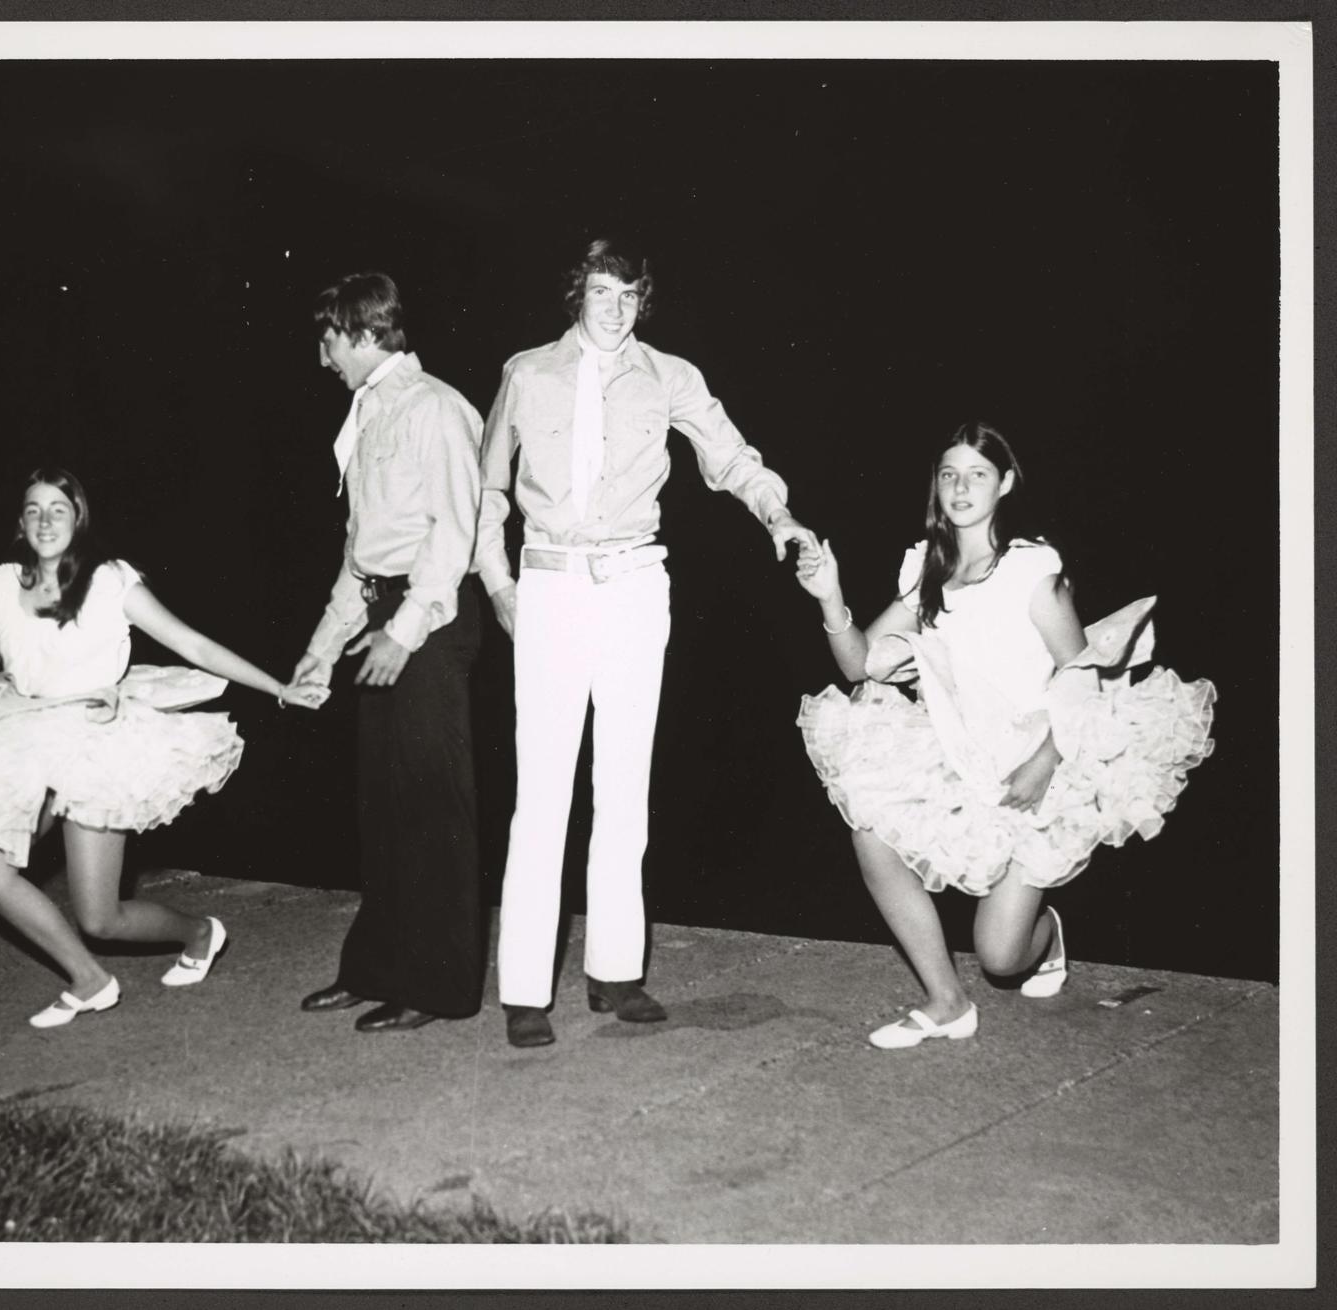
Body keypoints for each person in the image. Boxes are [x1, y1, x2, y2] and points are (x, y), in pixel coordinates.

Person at [477, 237, 817, 1048]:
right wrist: (497, 585)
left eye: (628, 295)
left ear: (642, 301)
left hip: (634, 584)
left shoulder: (670, 376)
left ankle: (615, 974)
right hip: (551, 584)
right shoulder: (527, 373)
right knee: (544, 792)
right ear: (577, 295)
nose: (614, 307)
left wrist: (780, 514)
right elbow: (488, 487)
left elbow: (731, 457)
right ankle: (526, 989)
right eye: (601, 290)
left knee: (625, 787)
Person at [794, 421, 1217, 1048]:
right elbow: (860, 665)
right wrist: (830, 597)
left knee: (1001, 956)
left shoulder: (1031, 572)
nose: (961, 487)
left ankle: (1045, 936)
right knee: (871, 831)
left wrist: (1046, 761)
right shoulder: (926, 573)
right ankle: (946, 1002)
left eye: (978, 474)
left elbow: (1082, 680)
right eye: (948, 474)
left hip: (1037, 757)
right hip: (960, 754)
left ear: (1005, 484)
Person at [0, 467, 326, 1029]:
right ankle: (90, 980)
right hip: (28, 738)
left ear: (78, 519)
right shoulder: (3, 586)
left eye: (57, 509)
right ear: (20, 522)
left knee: (101, 917)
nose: (45, 520)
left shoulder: (111, 581)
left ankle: (200, 932)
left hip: (97, 746)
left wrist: (278, 688)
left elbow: (191, 642)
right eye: (34, 509)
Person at [290, 271, 486, 1034]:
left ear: (368, 333)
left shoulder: (434, 408)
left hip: (428, 619)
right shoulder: (370, 414)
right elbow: (360, 554)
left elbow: (453, 531)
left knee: (434, 808)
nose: (322, 356)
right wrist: (321, 649)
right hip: (385, 607)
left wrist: (405, 634)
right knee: (384, 809)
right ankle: (376, 969)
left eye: (330, 339)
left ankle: (436, 988)